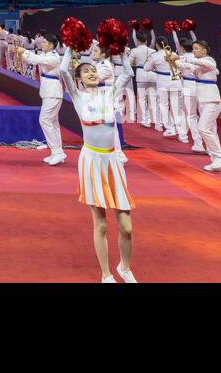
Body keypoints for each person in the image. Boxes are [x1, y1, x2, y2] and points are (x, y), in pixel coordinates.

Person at [59, 51, 136, 283]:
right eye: (85, 71)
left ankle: (124, 267)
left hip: (113, 162)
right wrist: (71, 47)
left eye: (93, 70)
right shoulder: (78, 96)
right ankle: (106, 274)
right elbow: (63, 71)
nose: (91, 73)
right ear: (79, 79)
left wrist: (121, 52)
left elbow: (128, 73)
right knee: (100, 224)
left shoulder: (109, 92)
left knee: (127, 227)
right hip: (91, 162)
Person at [175, 41, 221, 172]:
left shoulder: (209, 60)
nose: (194, 51)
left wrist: (186, 57)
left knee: (203, 128)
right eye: (193, 48)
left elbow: (206, 64)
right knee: (210, 130)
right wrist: (174, 61)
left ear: (205, 50)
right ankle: (217, 160)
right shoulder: (198, 64)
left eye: (196, 49)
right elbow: (185, 65)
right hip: (204, 101)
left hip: (212, 101)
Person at [23, 31, 66, 165]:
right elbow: (35, 59)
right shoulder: (45, 54)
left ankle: (58, 152)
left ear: (52, 45)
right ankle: (57, 152)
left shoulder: (54, 57)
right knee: (53, 122)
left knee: (45, 119)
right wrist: (24, 54)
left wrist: (23, 52)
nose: (42, 44)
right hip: (48, 91)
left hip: (53, 92)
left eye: (45, 42)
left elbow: (37, 60)